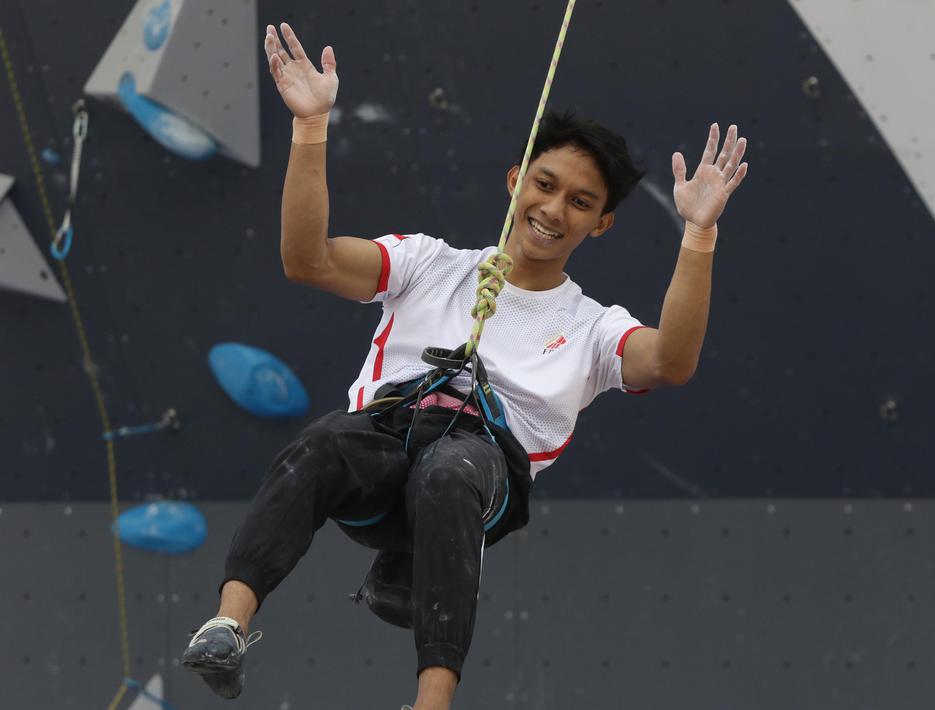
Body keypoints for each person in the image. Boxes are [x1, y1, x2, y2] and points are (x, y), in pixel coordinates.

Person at [180, 21, 749, 710]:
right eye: (544, 184)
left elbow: (670, 361)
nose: (552, 209)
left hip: (475, 484)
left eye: (580, 202)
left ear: (600, 224)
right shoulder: (428, 263)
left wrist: (700, 232)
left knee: (451, 469)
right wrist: (310, 127)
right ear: (515, 181)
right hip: (381, 458)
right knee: (327, 440)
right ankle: (228, 625)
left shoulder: (594, 327)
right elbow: (309, 260)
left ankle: (432, 701)